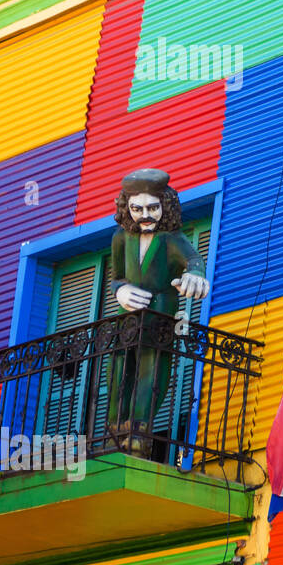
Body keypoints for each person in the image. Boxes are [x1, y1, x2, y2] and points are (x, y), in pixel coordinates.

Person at [107, 168, 209, 456]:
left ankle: (139, 432)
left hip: (161, 318)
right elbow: (116, 277)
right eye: (136, 208)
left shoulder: (171, 240)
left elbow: (194, 262)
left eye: (152, 207)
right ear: (127, 208)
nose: (145, 215)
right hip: (125, 320)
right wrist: (120, 291)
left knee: (152, 375)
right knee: (118, 373)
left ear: (165, 207)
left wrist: (196, 277)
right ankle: (114, 431)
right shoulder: (120, 238)